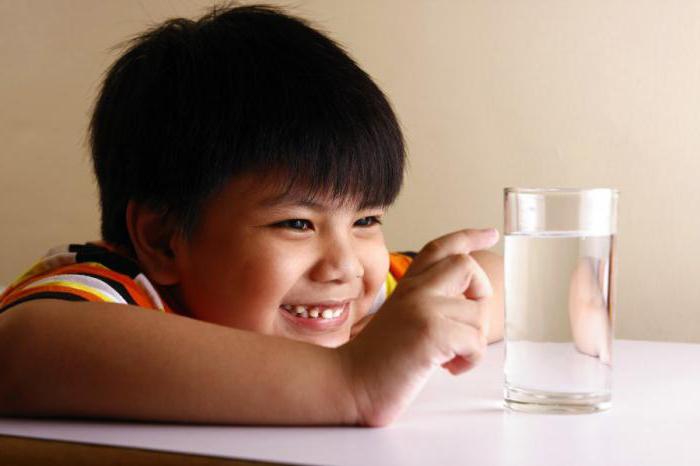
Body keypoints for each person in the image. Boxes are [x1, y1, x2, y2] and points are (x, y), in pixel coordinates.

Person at [0, 4, 503, 427]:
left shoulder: (353, 299)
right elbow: (20, 348)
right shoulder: (121, 293)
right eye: (297, 223)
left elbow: (494, 275)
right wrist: (351, 380)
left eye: (366, 220)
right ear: (163, 240)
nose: (345, 267)